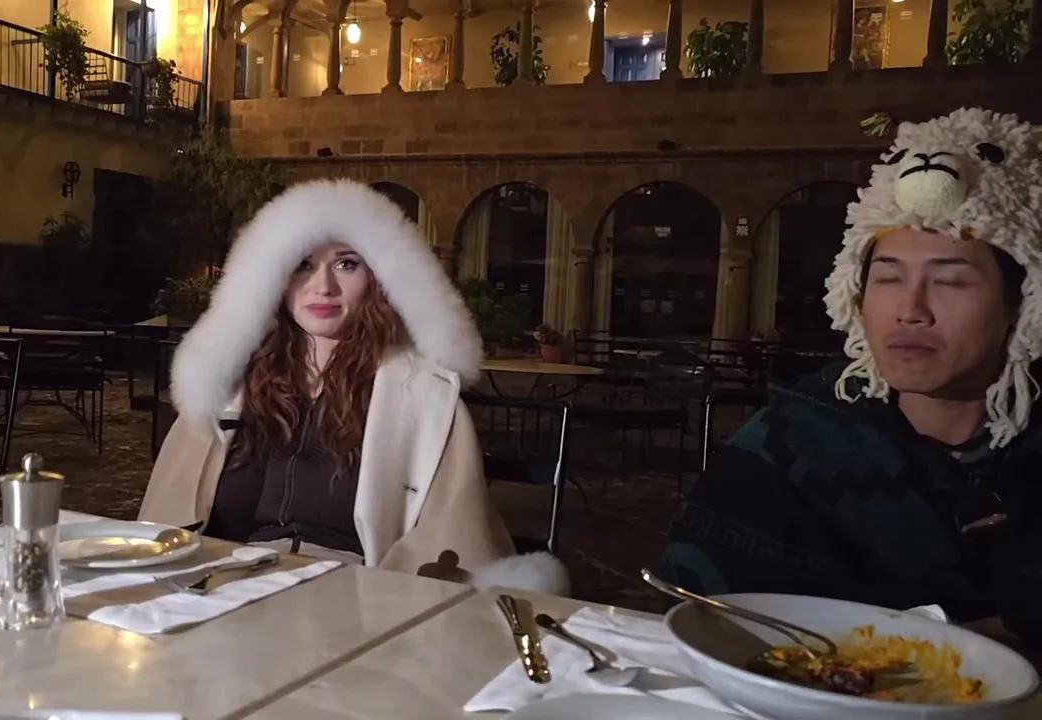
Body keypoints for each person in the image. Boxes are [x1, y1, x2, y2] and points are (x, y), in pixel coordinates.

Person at [662, 108, 1042, 651]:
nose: (910, 310)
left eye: (951, 282)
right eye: (888, 278)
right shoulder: (791, 445)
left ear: (1021, 303)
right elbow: (696, 618)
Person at [139, 179, 568, 594]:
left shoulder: (424, 396)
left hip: (357, 601)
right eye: (303, 264)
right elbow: (170, 523)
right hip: (226, 590)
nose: (323, 287)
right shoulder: (226, 383)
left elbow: (448, 547)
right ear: (272, 277)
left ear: (379, 277)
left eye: (346, 264)